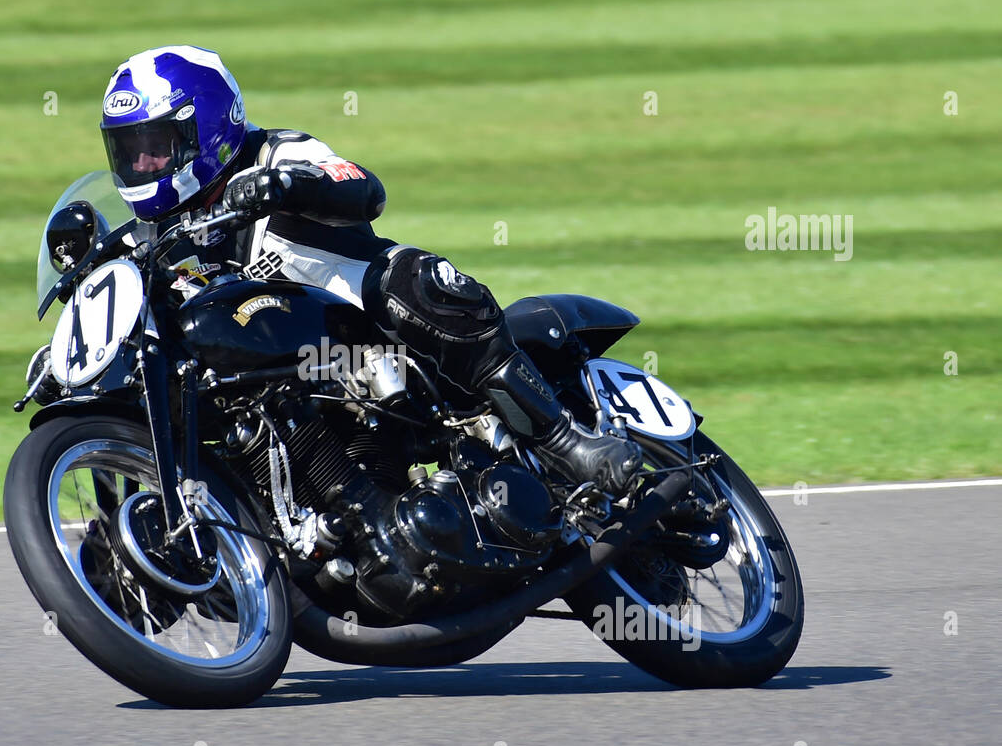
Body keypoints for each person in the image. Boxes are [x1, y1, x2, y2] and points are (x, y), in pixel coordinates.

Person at [98, 45, 641, 493]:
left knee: (411, 278)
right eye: (129, 151)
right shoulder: (161, 238)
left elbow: (363, 188)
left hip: (374, 342)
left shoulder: (277, 155)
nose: (142, 166)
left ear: (209, 128)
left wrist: (288, 186)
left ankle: (562, 441)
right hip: (292, 382)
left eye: (156, 147)